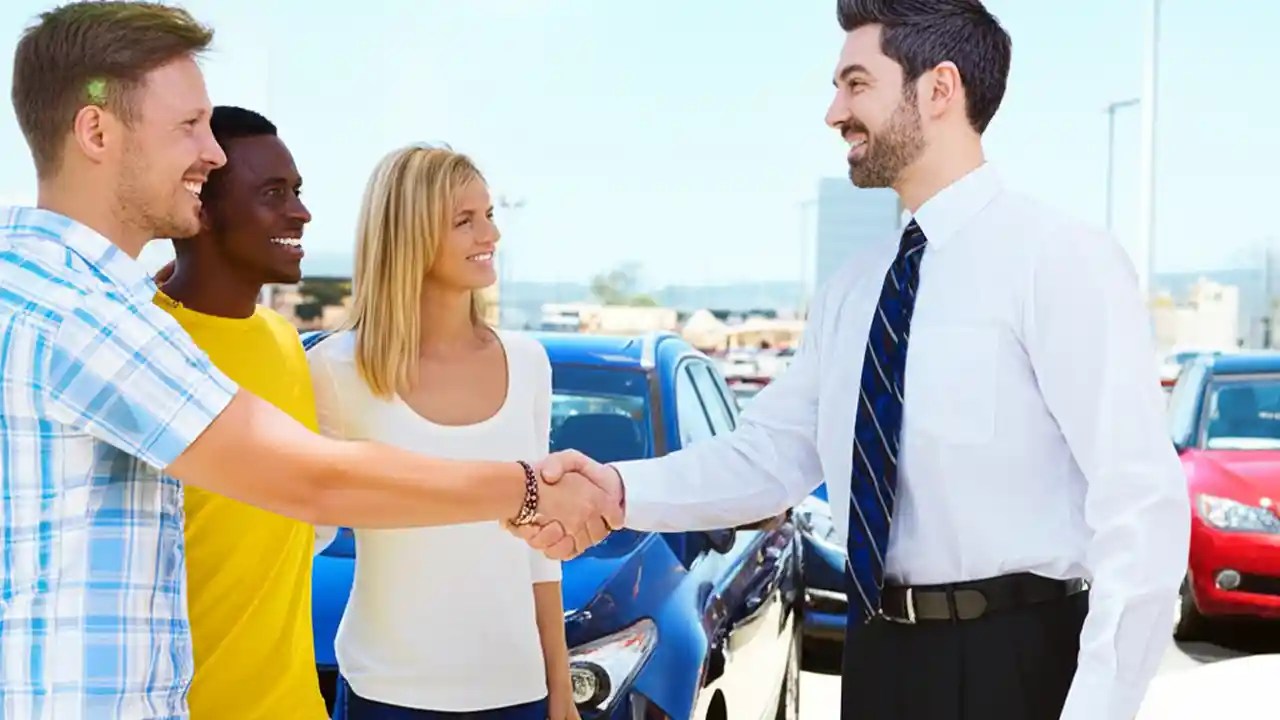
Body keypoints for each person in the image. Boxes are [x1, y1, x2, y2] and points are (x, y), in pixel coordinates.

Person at [523, 1, 1190, 719]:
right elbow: (770, 455)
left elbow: (1141, 505)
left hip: (1016, 665)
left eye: (855, 83)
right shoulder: (851, 290)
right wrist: (614, 488)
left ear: (938, 89)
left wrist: (1098, 707)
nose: (833, 112)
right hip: (875, 658)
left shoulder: (1058, 259)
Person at [1, 3, 610, 717]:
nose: (214, 152)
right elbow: (312, 482)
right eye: (188, 126)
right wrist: (530, 489)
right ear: (97, 131)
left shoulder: (54, 293)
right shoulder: (83, 316)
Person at [307, 144, 577, 720]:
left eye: (490, 215)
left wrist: (559, 690)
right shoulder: (336, 369)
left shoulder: (528, 362)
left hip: (517, 691)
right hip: (387, 692)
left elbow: (538, 550)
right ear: (409, 234)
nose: (491, 235)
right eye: (465, 220)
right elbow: (304, 531)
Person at [151, 105, 331, 719]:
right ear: (199, 207)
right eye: (272, 193)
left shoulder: (285, 341)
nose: (301, 212)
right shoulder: (143, 344)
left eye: (297, 191)